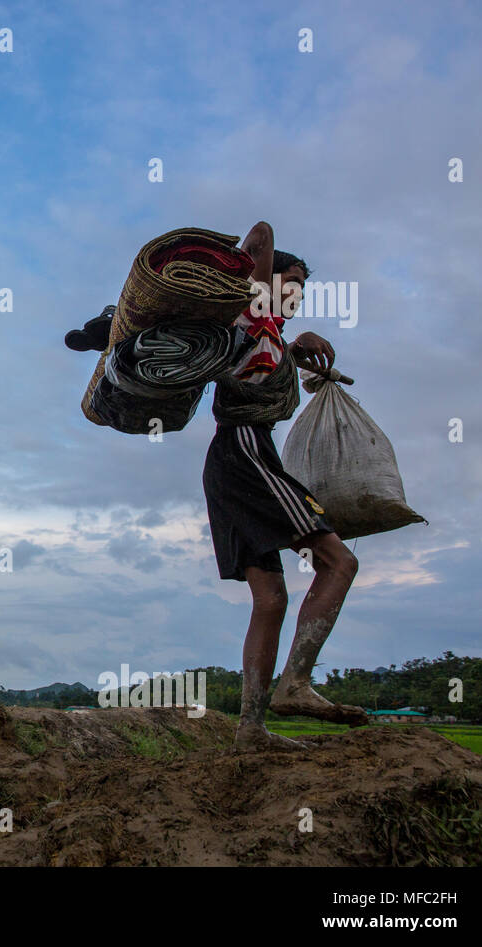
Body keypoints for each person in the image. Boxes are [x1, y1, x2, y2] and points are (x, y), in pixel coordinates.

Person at [203, 221, 365, 752]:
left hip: (238, 458)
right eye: (288, 281)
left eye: (302, 287)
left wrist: (296, 345)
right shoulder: (247, 307)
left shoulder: (266, 329)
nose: (294, 293)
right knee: (339, 561)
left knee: (270, 599)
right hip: (244, 451)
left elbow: (259, 360)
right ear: (265, 278)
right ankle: (294, 684)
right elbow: (260, 234)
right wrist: (263, 268)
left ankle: (250, 728)